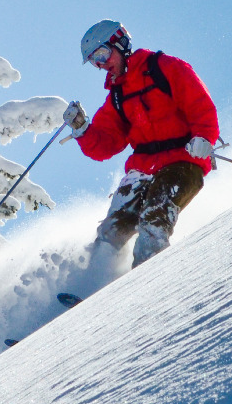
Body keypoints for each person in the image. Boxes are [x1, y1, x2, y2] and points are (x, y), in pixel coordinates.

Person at [63, 20, 220, 266]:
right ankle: (93, 287)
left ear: (120, 42)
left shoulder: (165, 68)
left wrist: (203, 137)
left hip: (183, 160)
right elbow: (107, 143)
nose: (102, 65)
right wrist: (82, 129)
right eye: (95, 62)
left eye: (103, 54)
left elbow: (199, 104)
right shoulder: (118, 95)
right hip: (142, 169)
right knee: (111, 231)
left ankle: (148, 284)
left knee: (155, 216)